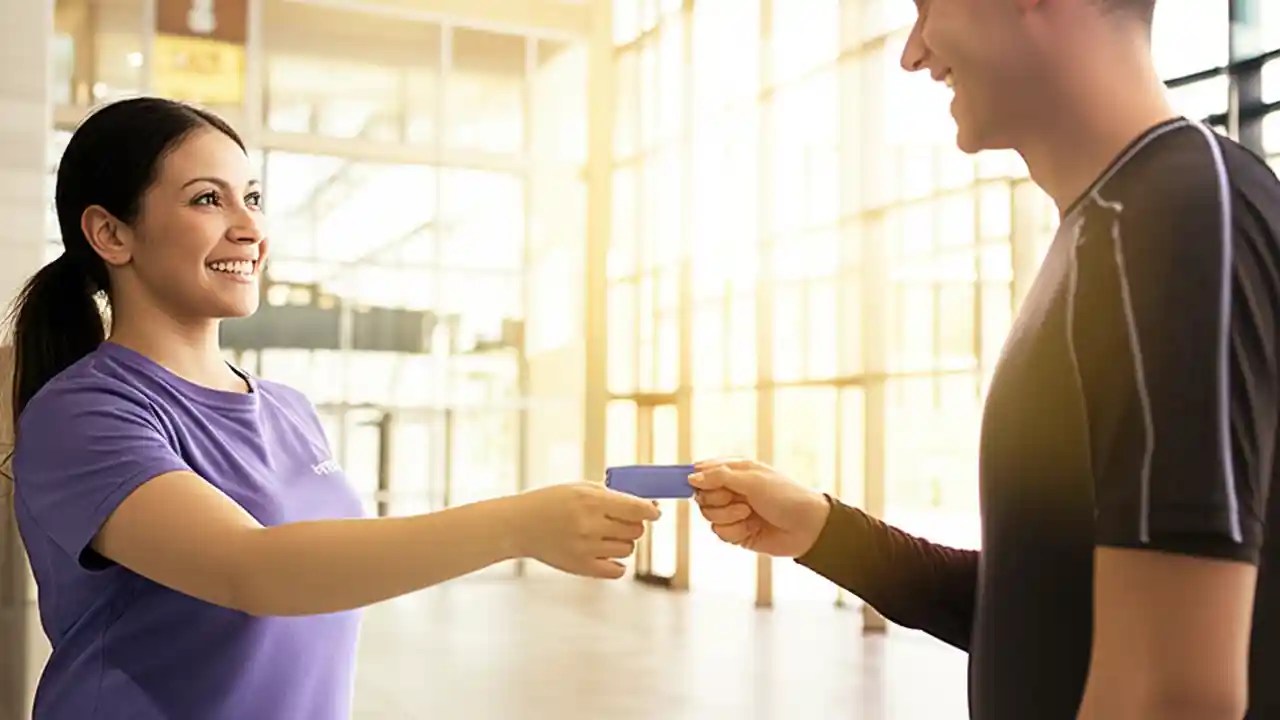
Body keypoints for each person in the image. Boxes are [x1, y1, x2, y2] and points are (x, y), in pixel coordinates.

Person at [691, 1, 1280, 719]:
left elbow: (1173, 693)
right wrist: (824, 531)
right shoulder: (1108, 228)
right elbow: (1046, 613)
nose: (913, 51)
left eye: (927, 6)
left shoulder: (1176, 216)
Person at [5, 96, 660, 720]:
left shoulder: (288, 409)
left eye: (253, 198)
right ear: (111, 234)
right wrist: (518, 525)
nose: (250, 227)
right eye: (208, 199)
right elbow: (253, 569)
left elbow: (320, 584)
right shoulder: (84, 415)